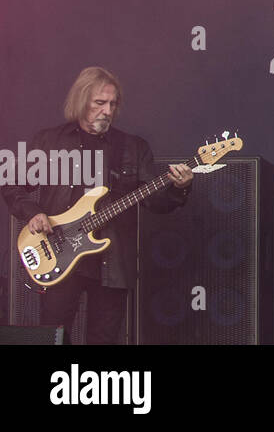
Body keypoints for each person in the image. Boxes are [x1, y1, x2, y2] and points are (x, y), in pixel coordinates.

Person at [3, 66, 193, 344]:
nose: (107, 110)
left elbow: (156, 202)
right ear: (81, 100)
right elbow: (11, 183)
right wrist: (33, 213)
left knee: (103, 339)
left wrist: (180, 187)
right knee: (53, 336)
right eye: (100, 103)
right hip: (58, 253)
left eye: (113, 104)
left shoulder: (132, 148)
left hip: (112, 263)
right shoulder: (49, 142)